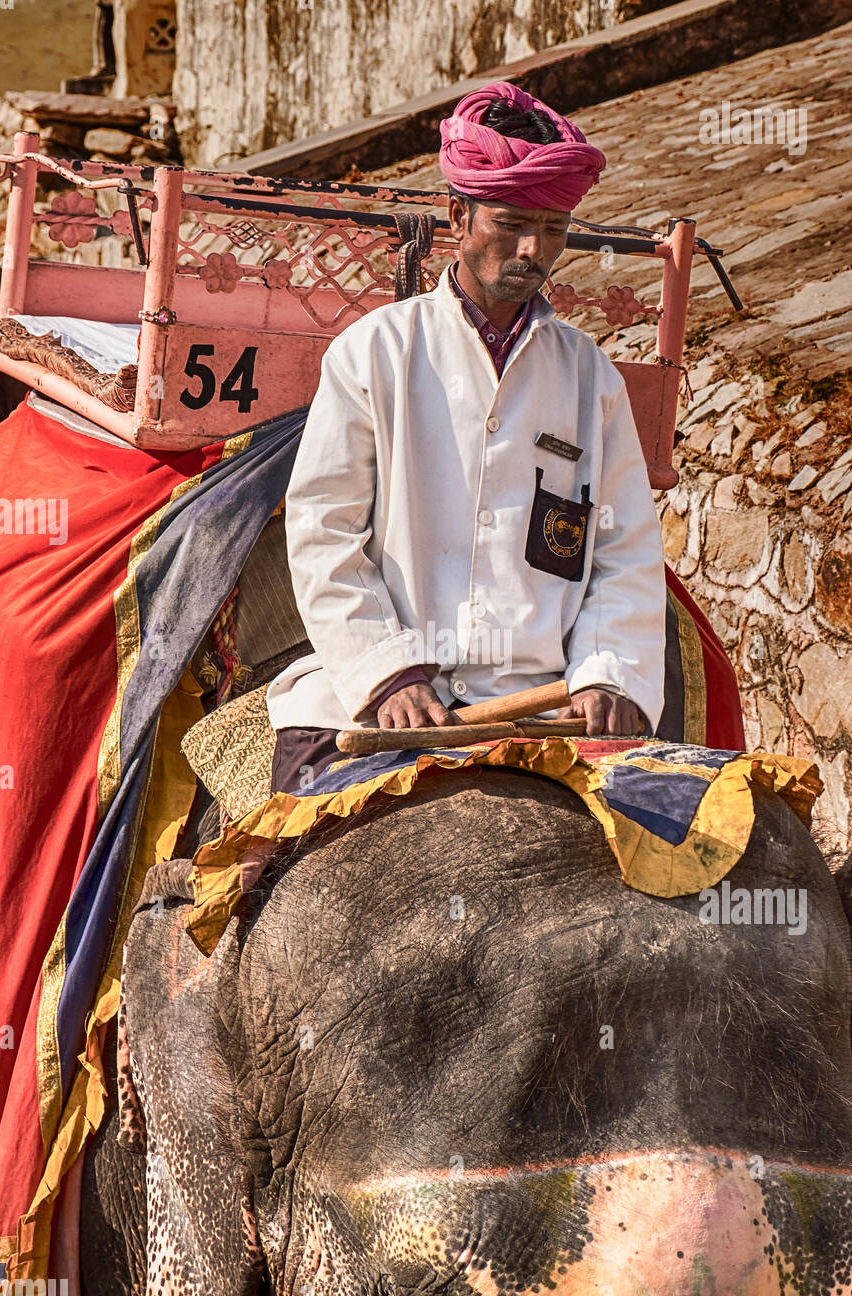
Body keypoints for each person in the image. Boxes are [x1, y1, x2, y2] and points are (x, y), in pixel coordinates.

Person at [266, 81, 668, 792]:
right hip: (373, 702)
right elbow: (325, 533)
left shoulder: (589, 376)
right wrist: (389, 672)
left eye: (551, 229)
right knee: (273, 864)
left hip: (543, 706)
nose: (532, 248)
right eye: (511, 222)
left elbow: (623, 550)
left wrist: (607, 671)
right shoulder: (373, 353)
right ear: (458, 214)